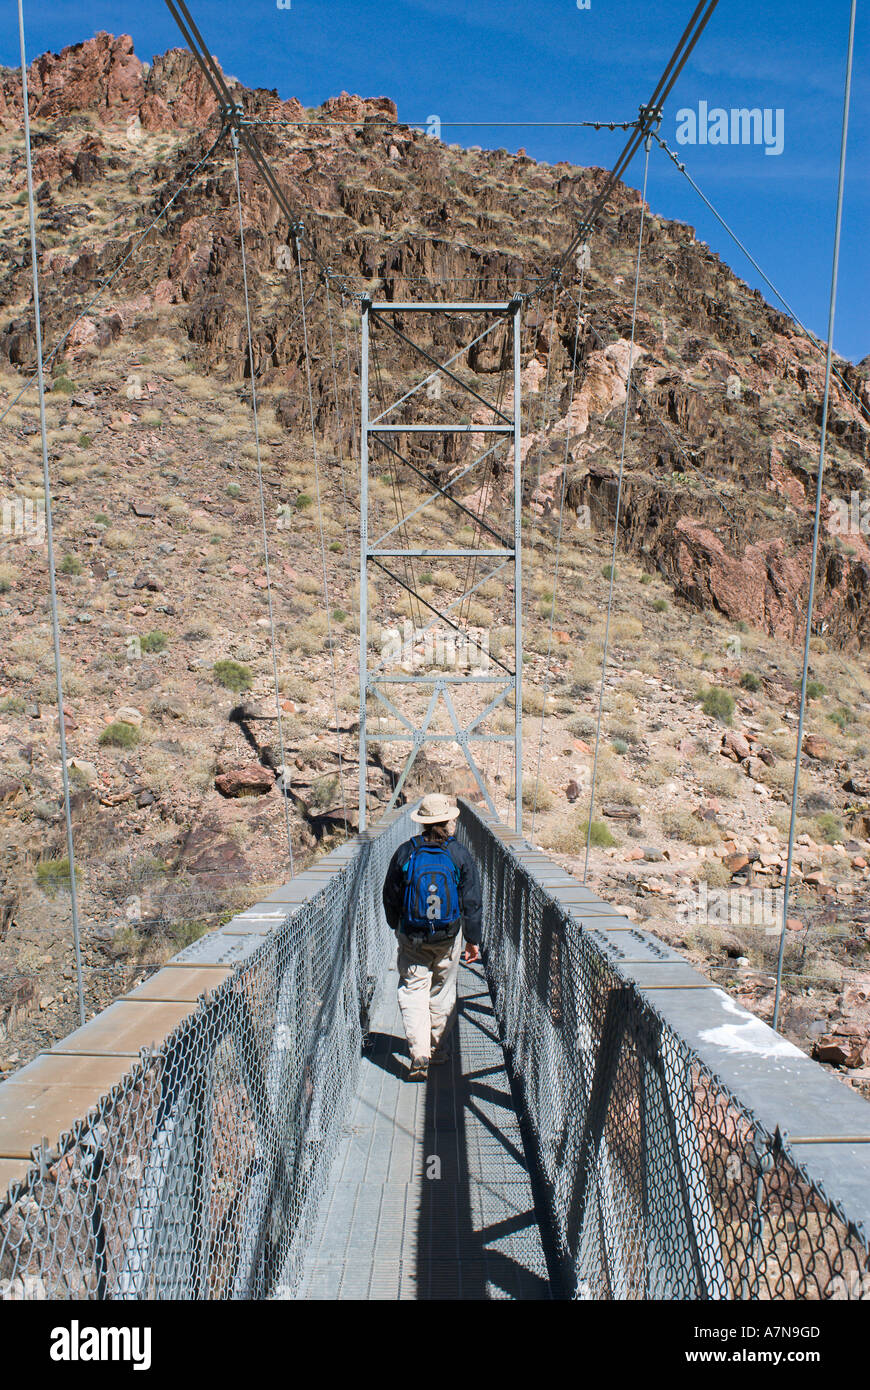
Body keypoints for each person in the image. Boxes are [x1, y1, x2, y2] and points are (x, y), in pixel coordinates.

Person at [382, 793, 483, 1080]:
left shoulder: (406, 852)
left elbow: (390, 895)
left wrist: (396, 925)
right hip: (448, 938)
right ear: (449, 821)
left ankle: (419, 1053)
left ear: (422, 823)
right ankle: (437, 1051)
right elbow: (471, 901)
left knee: (413, 990)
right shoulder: (459, 854)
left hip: (411, 936)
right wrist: (472, 940)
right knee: (441, 992)